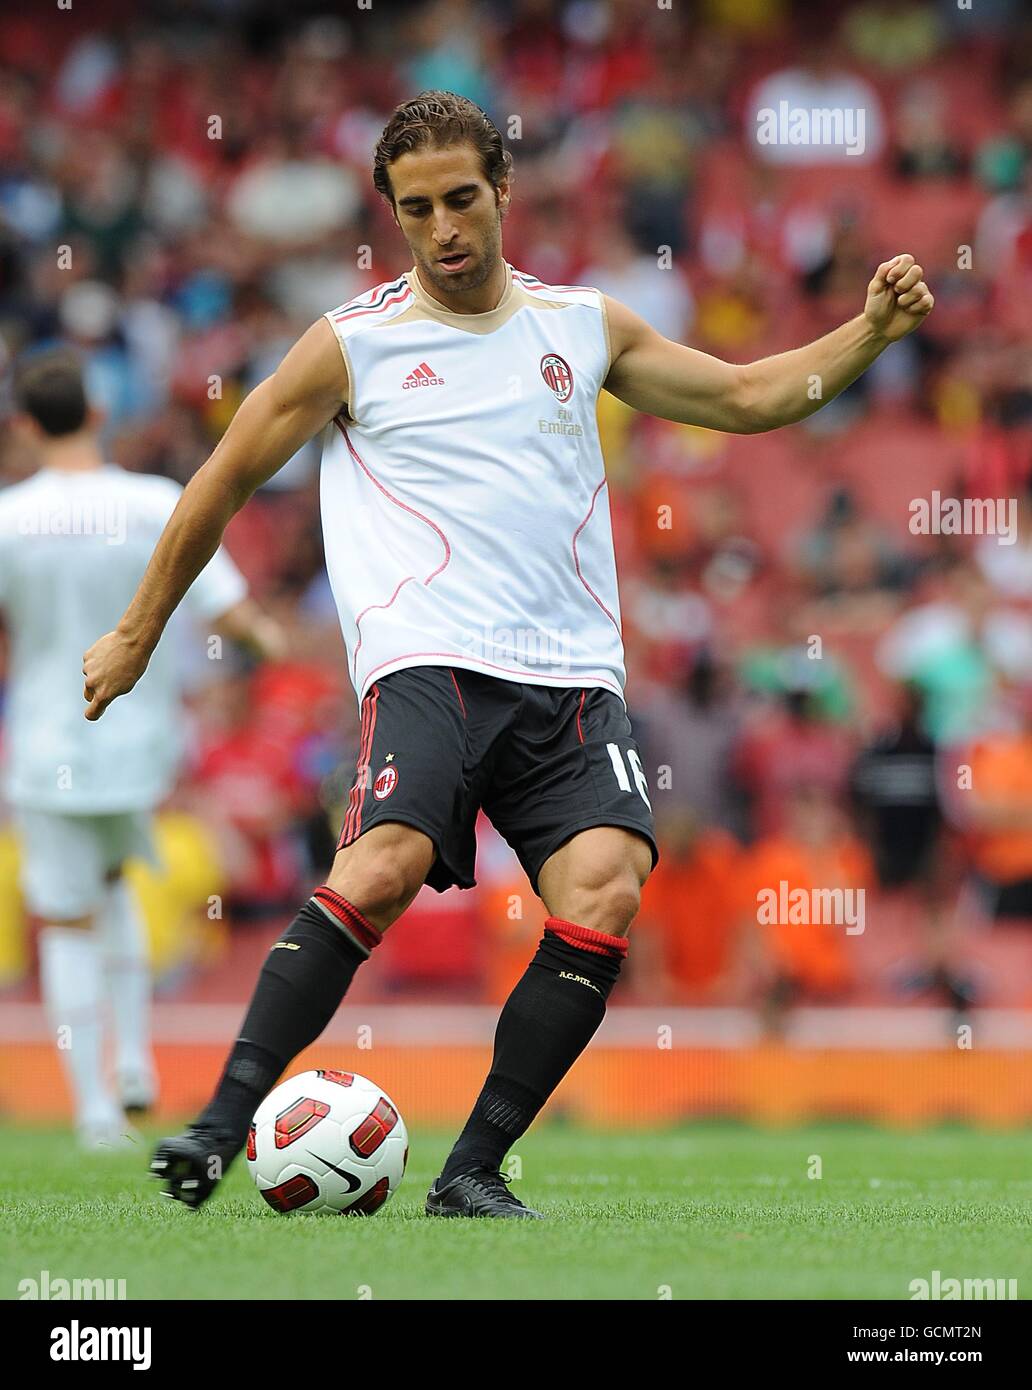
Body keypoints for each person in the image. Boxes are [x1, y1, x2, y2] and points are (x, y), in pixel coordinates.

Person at [81, 91, 935, 1216]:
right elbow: (220, 482)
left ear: (504, 193)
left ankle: (471, 1169)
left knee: (609, 884)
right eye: (418, 206)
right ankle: (218, 1123)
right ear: (392, 212)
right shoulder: (352, 346)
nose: (444, 227)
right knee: (380, 865)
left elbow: (743, 395)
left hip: (574, 680)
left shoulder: (583, 326)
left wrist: (867, 331)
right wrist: (140, 631)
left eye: (462, 199)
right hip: (429, 660)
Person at [1, 348, 280, 1148]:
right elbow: (230, 610)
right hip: (136, 739)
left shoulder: (9, 518)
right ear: (97, 413)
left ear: (23, 424)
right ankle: (132, 1057)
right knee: (119, 884)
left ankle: (93, 1104)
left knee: (66, 918)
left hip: (47, 741)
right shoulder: (154, 501)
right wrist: (266, 638)